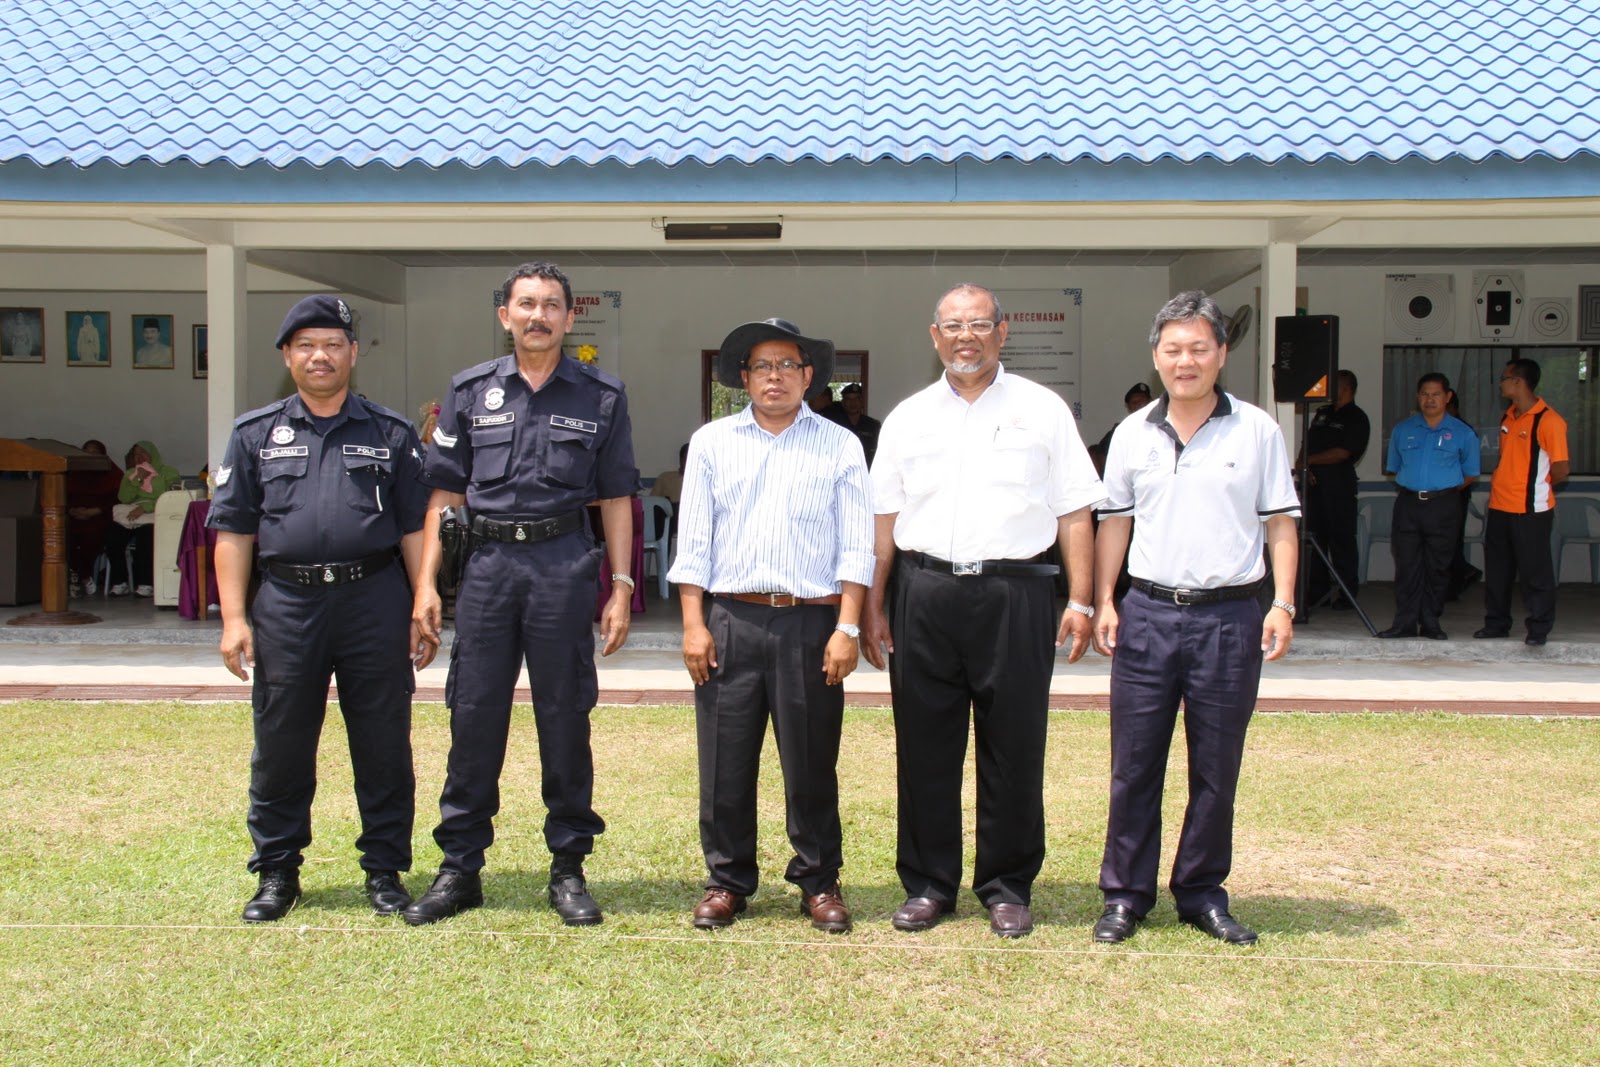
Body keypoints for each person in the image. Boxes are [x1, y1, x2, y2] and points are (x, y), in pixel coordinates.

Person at [862, 283, 1102, 939]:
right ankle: (928, 883)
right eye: (952, 326)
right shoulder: (909, 417)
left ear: (1002, 330)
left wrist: (1081, 598)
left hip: (1014, 594)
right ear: (934, 336)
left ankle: (1007, 885)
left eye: (977, 324)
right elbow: (884, 518)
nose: (965, 337)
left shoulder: (1042, 409)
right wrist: (875, 604)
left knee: (1014, 746)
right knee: (924, 745)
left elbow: (1075, 510)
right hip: (924, 591)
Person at [406, 261, 640, 926]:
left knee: (565, 714)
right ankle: (460, 867)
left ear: (569, 317)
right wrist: (426, 584)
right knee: (473, 712)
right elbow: (445, 493)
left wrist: (621, 586)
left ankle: (568, 867)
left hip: (563, 564)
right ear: (505, 315)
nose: (539, 316)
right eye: (527, 304)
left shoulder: (602, 394)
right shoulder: (469, 390)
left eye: (552, 305)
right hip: (486, 567)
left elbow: (616, 495)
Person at [208, 294, 433, 923]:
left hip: (373, 599)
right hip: (287, 603)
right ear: (287, 356)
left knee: (383, 741)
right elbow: (233, 531)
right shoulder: (254, 434)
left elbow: (415, 527)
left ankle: (385, 869)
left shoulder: (389, 433)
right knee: (281, 742)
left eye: (333, 344)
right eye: (306, 345)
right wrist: (234, 618)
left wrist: (423, 597)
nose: (320, 356)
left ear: (353, 353)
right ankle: (277, 870)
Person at [1091, 290, 1298, 948]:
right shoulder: (1131, 433)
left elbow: (1280, 522)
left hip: (1230, 617)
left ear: (1221, 354)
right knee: (1133, 765)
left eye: (1199, 349)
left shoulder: (1257, 430)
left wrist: (1284, 603)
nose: (1186, 361)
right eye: (1174, 349)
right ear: (1156, 356)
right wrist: (1104, 599)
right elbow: (1114, 522)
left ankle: (1202, 892)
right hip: (1148, 614)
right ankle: (1125, 895)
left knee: (1216, 767)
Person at [668, 318, 874, 932]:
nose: (775, 376)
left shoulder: (840, 445)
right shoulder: (711, 443)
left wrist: (848, 628)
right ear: (744, 377)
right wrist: (693, 624)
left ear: (809, 377)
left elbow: (857, 545)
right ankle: (727, 880)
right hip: (729, 620)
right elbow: (693, 543)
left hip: (810, 624)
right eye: (763, 366)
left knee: (811, 762)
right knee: (725, 763)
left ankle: (819, 879)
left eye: (788, 365)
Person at [1377, 373, 1479, 640]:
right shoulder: (1403, 430)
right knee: (1407, 565)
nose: (1429, 400)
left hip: (1443, 505)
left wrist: (1441, 490)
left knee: (1438, 566)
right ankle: (1404, 623)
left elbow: (1470, 473)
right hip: (1409, 503)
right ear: (1417, 397)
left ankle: (1431, 621)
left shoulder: (1463, 433)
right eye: (1424, 394)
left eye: (1436, 394)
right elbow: (1395, 467)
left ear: (1447, 397)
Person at [1476, 358, 1569, 645]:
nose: (1500, 384)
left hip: (1530, 510)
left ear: (1518, 382)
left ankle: (1539, 628)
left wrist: (1534, 487)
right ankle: (1497, 623)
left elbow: (1561, 469)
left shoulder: (1549, 420)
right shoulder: (1508, 417)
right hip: (1499, 506)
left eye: (1504, 378)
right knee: (1498, 571)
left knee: (1534, 572)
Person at [1300, 369, 1370, 610]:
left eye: (1334, 385)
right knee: (1314, 540)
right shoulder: (1323, 412)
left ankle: (1345, 594)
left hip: (1339, 487)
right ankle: (1316, 593)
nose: (1329, 389)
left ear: (1347, 387)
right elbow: (1307, 442)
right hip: (1314, 487)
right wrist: (1303, 463)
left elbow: (1344, 452)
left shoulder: (1357, 417)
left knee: (1341, 541)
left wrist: (1310, 461)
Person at [104, 439, 180, 596]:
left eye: (143, 453)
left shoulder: (169, 473)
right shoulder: (130, 474)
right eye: (136, 454)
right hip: (131, 514)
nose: (139, 457)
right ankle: (120, 582)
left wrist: (145, 507)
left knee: (146, 537)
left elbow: (171, 497)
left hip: (155, 513)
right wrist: (138, 479)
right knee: (113, 536)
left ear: (153, 454)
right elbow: (124, 498)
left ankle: (146, 583)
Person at [66, 439, 122, 596]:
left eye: (95, 452)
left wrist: (94, 511)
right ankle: (83, 576)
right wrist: (72, 510)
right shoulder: (75, 472)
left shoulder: (112, 473)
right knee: (63, 537)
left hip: (100, 516)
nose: (90, 455)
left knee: (92, 536)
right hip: (75, 516)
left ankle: (79, 576)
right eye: (87, 452)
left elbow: (117, 499)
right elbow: (65, 496)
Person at [1443, 394, 1484, 601]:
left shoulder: (1462, 431)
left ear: (1452, 407)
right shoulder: (1436, 428)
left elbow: (1469, 470)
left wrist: (1450, 490)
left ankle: (1455, 583)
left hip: (1455, 493)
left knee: (1451, 540)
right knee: (1444, 541)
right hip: (1440, 494)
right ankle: (1459, 576)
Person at [831, 382, 882, 466]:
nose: (853, 403)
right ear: (843, 402)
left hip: (867, 469)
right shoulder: (834, 425)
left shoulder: (873, 425)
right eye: (848, 399)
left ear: (862, 402)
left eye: (857, 399)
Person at [1096, 381, 1154, 454]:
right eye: (1134, 403)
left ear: (1150, 402)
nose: (1138, 405)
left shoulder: (1162, 426)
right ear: (1129, 407)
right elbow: (1099, 454)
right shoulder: (1121, 430)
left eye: (1142, 400)